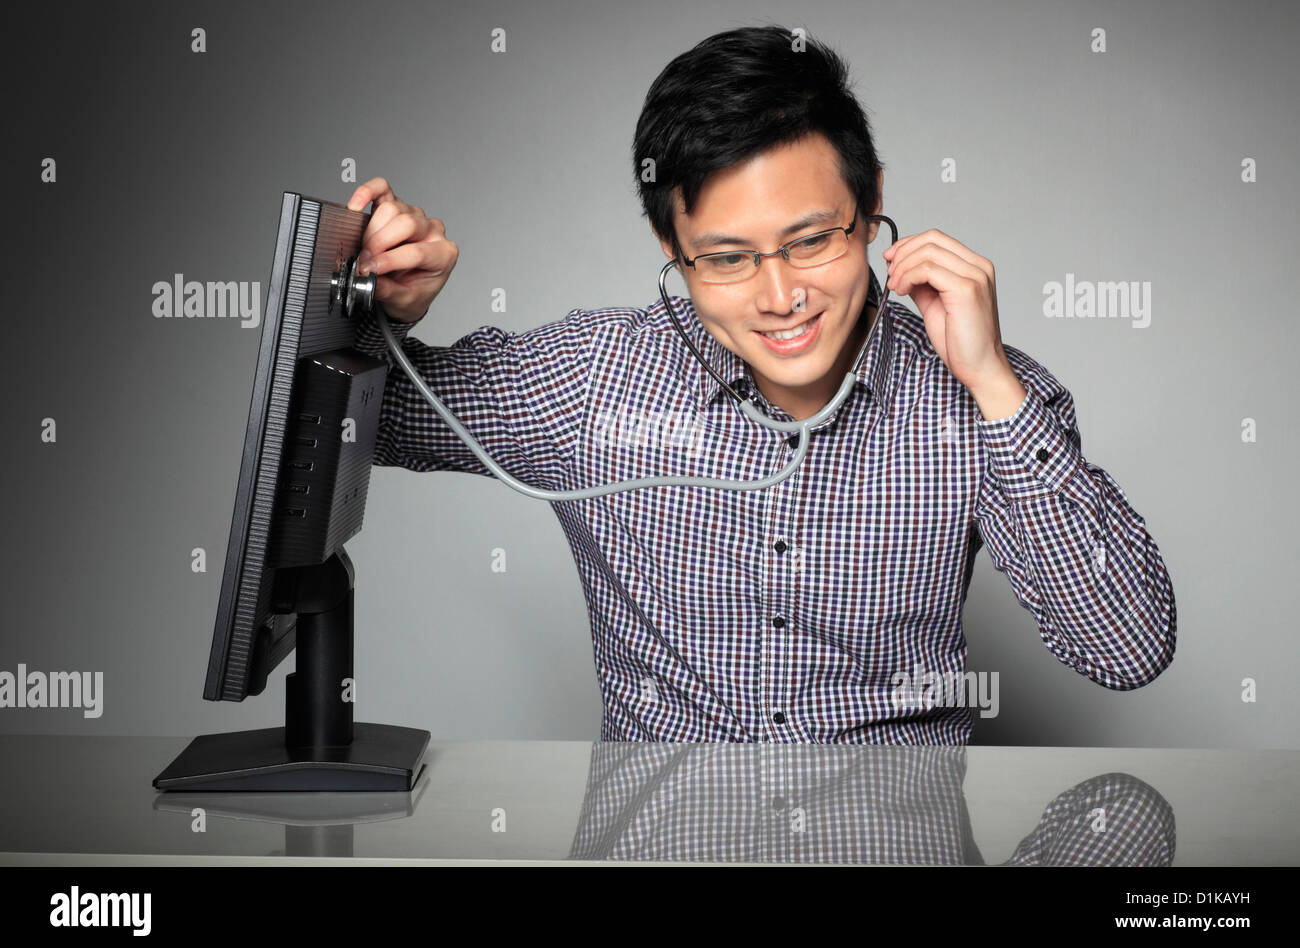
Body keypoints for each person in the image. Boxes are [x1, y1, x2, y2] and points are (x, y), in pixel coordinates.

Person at [346, 24, 1176, 744]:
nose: (781, 298)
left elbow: (1128, 646)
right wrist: (379, 311)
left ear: (873, 196)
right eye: (728, 257)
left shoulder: (979, 394)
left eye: (813, 240)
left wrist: (992, 384)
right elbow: (344, 425)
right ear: (669, 242)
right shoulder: (593, 380)